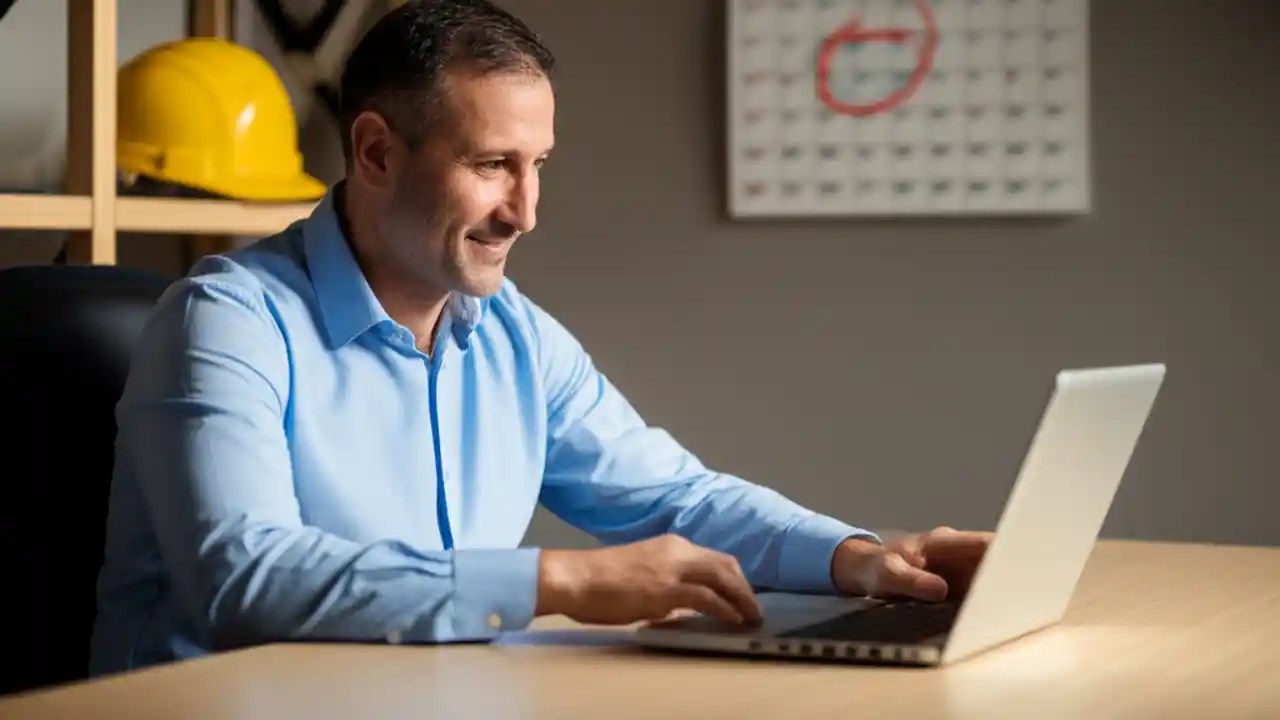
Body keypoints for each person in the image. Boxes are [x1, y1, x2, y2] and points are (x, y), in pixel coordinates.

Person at [89, 0, 991, 675]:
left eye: (538, 167)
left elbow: (676, 499)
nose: (526, 212)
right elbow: (245, 579)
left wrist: (859, 557)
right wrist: (556, 582)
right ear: (374, 153)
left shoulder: (514, 335)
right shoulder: (226, 319)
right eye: (492, 166)